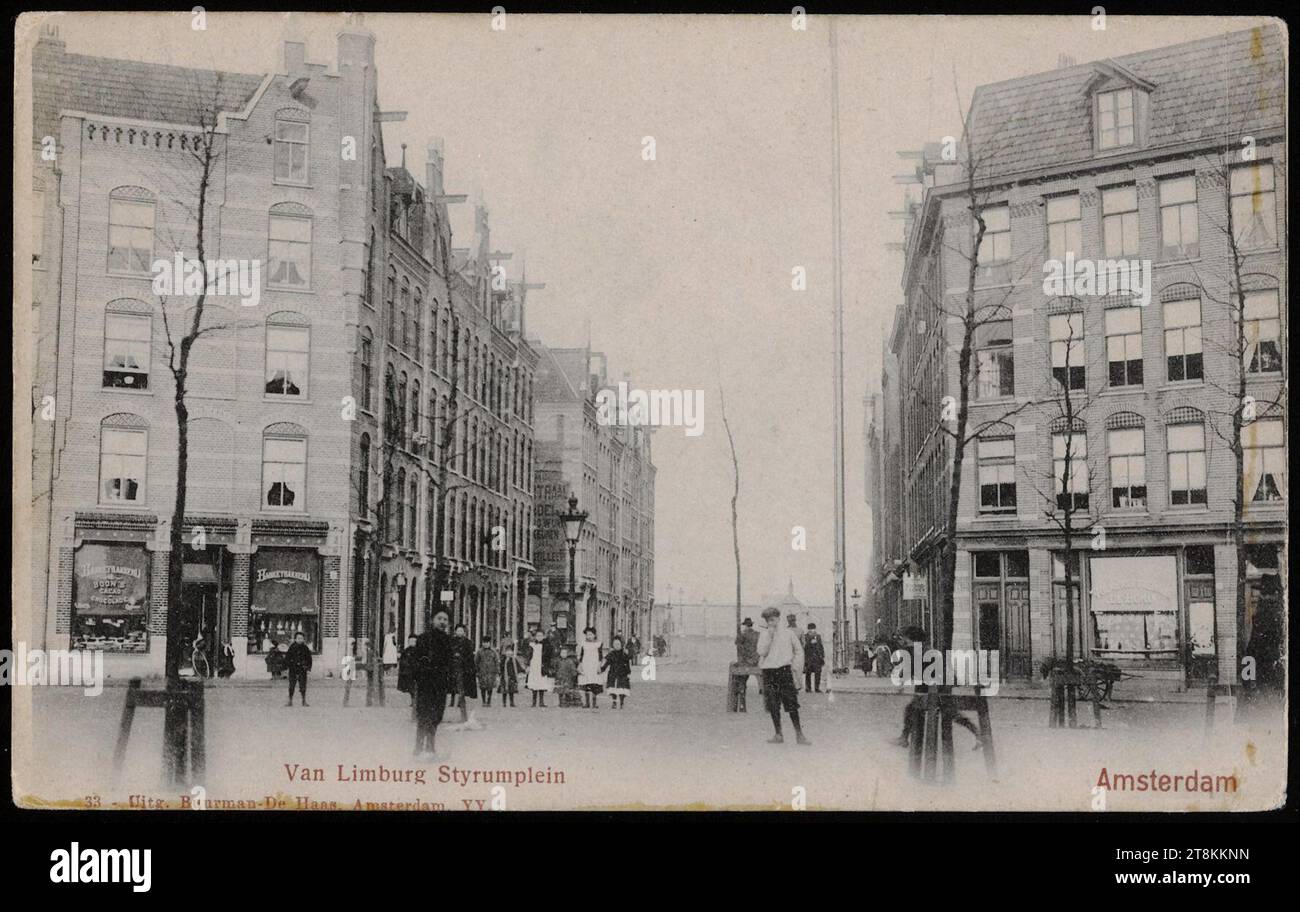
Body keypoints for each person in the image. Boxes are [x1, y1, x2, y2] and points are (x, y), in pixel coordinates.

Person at [757, 607, 809, 744]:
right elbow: (761, 652)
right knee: (773, 704)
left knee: (791, 704)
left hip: (785, 671)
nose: (771, 623)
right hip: (769, 672)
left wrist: (796, 668)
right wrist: (770, 636)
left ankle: (799, 734)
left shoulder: (788, 634)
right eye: (768, 621)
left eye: (773, 619)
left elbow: (799, 651)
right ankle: (778, 734)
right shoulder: (764, 635)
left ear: (779, 619)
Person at [413, 610, 453, 758]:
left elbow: (450, 663)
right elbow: (416, 661)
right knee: (423, 714)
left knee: (437, 716)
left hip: (440, 684)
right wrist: (419, 677)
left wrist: (449, 682)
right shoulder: (423, 639)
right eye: (439, 618)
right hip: (426, 683)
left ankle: (430, 746)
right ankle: (418, 747)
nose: (442, 622)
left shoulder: (448, 640)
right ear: (432, 620)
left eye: (445, 619)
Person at [448, 624, 478, 722]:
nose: (459, 632)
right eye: (458, 630)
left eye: (461, 631)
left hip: (463, 671)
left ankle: (463, 715)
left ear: (464, 632)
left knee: (462, 693)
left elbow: (469, 658)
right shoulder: (451, 642)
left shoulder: (468, 643)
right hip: (452, 670)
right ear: (455, 632)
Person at [733, 618, 761, 711]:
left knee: (742, 682)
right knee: (761, 681)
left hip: (745, 661)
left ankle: (742, 706)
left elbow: (737, 645)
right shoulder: (757, 634)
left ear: (745, 625)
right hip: (755, 661)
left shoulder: (742, 634)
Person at [526, 628, 555, 707]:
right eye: (537, 635)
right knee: (534, 683)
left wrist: (547, 665)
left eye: (541, 635)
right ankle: (534, 701)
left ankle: (541, 702)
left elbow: (549, 656)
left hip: (542, 666)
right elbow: (529, 656)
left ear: (544, 636)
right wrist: (528, 665)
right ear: (535, 637)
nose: (539, 637)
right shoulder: (532, 645)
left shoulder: (547, 645)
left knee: (542, 683)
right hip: (534, 665)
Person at [577, 627, 604, 710]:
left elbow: (600, 656)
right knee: (586, 683)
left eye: (591, 634)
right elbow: (581, 655)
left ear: (594, 635)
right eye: (587, 635)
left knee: (594, 684)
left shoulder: (598, 644)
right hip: (586, 665)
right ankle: (587, 702)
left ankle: (594, 702)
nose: (589, 636)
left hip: (594, 665)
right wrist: (580, 665)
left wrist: (599, 665)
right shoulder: (584, 644)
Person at [602, 636, 632, 708]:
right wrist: (602, 669)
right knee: (613, 689)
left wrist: (628, 672)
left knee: (622, 689)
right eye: (614, 644)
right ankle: (614, 702)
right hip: (613, 673)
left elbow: (627, 664)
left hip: (622, 674)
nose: (616, 646)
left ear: (621, 645)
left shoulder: (624, 654)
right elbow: (607, 663)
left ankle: (621, 702)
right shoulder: (611, 654)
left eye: (618, 644)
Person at [285, 632, 312, 707]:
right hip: (293, 669)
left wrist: (308, 668)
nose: (300, 640)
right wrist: (288, 667)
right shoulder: (292, 647)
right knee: (291, 685)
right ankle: (290, 701)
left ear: (303, 639)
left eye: (301, 638)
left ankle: (304, 700)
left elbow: (309, 659)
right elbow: (287, 658)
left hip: (302, 669)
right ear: (295, 639)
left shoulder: (305, 648)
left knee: (303, 685)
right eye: (298, 638)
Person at [475, 637, 500, 707]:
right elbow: (476, 662)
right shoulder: (479, 652)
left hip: (491, 672)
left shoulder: (493, 651)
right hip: (482, 672)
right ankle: (483, 701)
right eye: (484, 642)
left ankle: (489, 701)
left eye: (487, 643)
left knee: (490, 687)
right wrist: (477, 671)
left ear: (489, 643)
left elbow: (496, 661)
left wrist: (497, 671)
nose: (485, 644)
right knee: (483, 687)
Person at [396, 635, 419, 708]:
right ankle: (413, 701)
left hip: (416, 672)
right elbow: (403, 661)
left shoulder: (418, 651)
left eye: (414, 641)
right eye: (411, 641)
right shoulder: (406, 651)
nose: (412, 643)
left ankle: (415, 701)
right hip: (408, 672)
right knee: (410, 688)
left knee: (415, 688)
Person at [803, 623, 826, 693]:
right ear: (808, 629)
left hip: (817, 658)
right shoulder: (805, 637)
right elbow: (804, 647)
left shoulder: (818, 636)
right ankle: (808, 688)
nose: (812, 630)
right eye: (810, 629)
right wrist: (810, 642)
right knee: (808, 673)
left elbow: (821, 647)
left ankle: (817, 688)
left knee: (818, 673)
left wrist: (822, 656)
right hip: (808, 658)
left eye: (813, 629)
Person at [786, 614, 804, 692]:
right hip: (798, 653)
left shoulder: (785, 630)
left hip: (789, 652)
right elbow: (803, 643)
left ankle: (792, 685)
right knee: (798, 670)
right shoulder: (800, 630)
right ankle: (797, 686)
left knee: (790, 670)